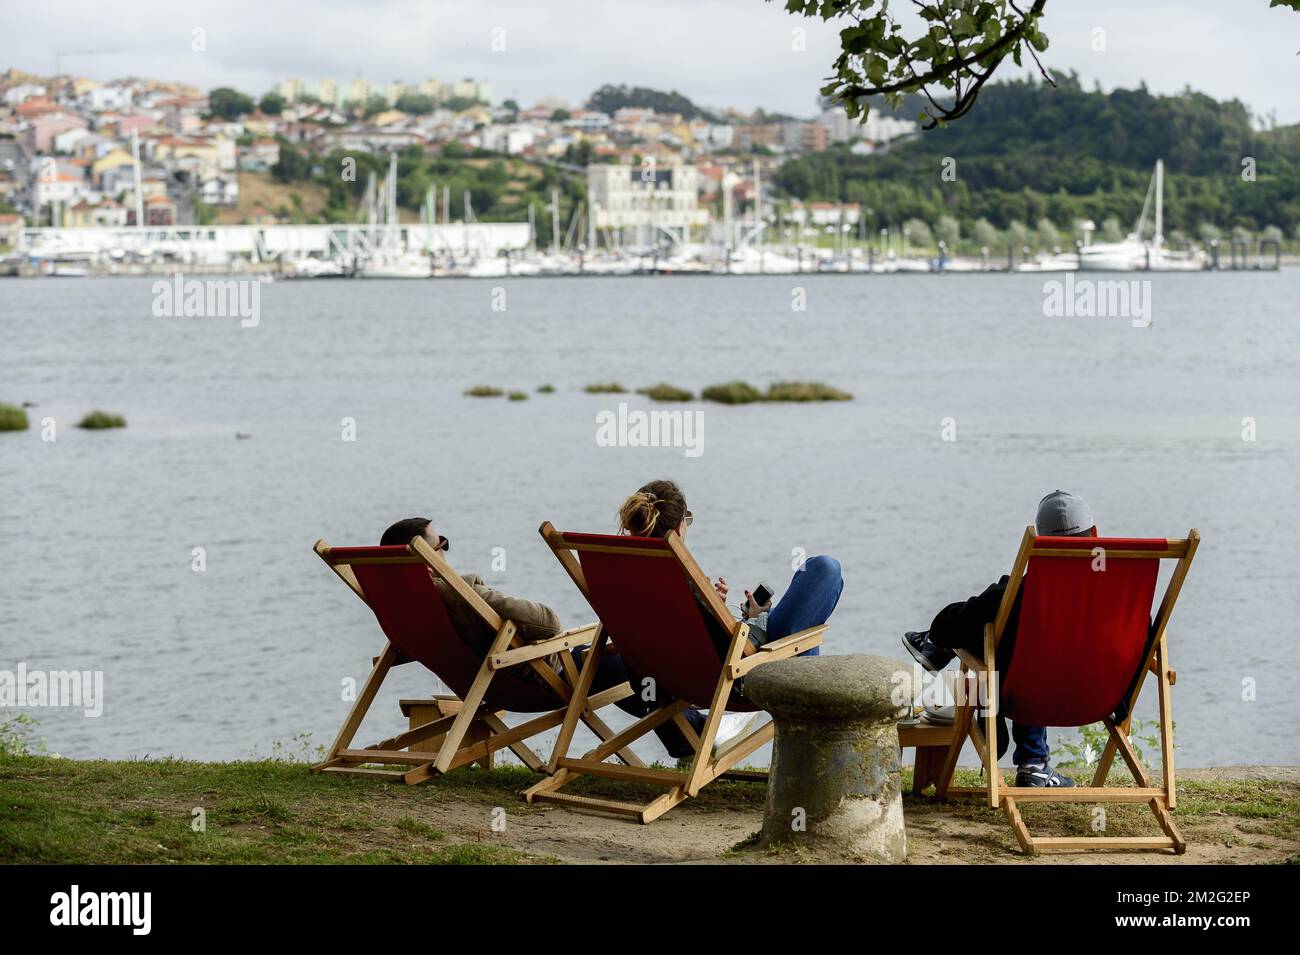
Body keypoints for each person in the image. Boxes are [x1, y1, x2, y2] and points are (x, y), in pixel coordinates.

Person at [595, 479, 845, 755]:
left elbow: (680, 636)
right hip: (736, 680)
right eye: (687, 519)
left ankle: (803, 737)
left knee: (797, 609)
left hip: (669, 677)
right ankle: (809, 739)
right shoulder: (682, 578)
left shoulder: (620, 578)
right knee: (824, 569)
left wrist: (720, 611)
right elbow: (731, 650)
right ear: (679, 528)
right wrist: (754, 621)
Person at [901, 490, 1099, 788]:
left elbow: (950, 623)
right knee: (1026, 643)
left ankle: (934, 648)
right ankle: (1035, 764)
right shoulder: (1121, 599)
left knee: (1000, 635)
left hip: (1029, 694)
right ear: (1094, 533)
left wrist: (940, 635)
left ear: (1038, 544)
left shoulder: (1021, 594)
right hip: (1096, 697)